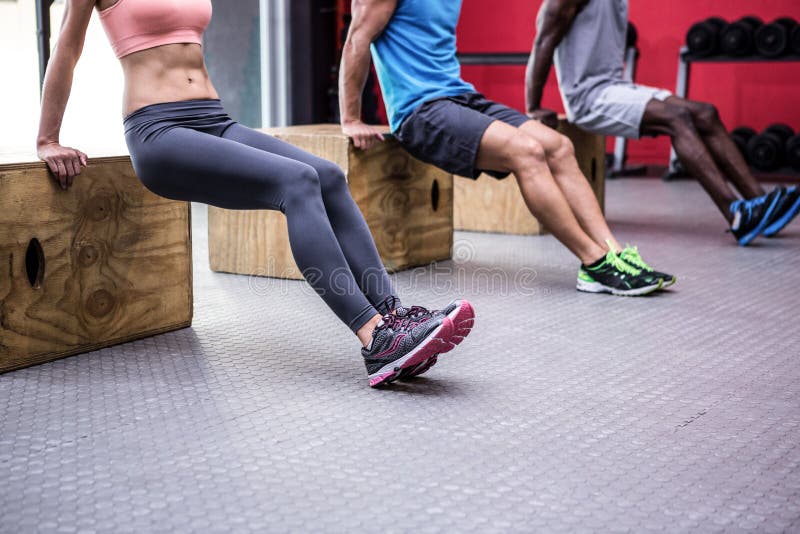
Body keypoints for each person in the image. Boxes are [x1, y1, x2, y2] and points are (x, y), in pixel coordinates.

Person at [36, 0, 475, 387]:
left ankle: (393, 316)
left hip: (212, 119)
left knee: (327, 175)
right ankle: (375, 336)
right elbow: (67, 50)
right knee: (297, 182)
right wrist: (47, 139)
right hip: (159, 132)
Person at [340, 0, 674, 297]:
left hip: (459, 96)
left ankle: (613, 252)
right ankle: (594, 262)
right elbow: (358, 37)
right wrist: (351, 118)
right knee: (526, 151)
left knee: (559, 146)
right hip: (420, 111)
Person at [526, 0, 800, 246]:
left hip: (615, 86)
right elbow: (543, 39)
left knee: (706, 113)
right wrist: (533, 106)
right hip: (588, 97)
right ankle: (736, 214)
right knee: (677, 118)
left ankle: (761, 204)